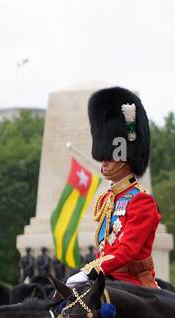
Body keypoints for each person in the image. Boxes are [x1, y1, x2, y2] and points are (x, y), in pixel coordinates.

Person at [67, 87, 160, 289]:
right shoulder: (109, 199)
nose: (104, 161)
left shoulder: (141, 200)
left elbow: (127, 250)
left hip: (134, 284)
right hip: (108, 280)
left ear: (125, 157)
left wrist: (91, 270)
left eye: (110, 155)